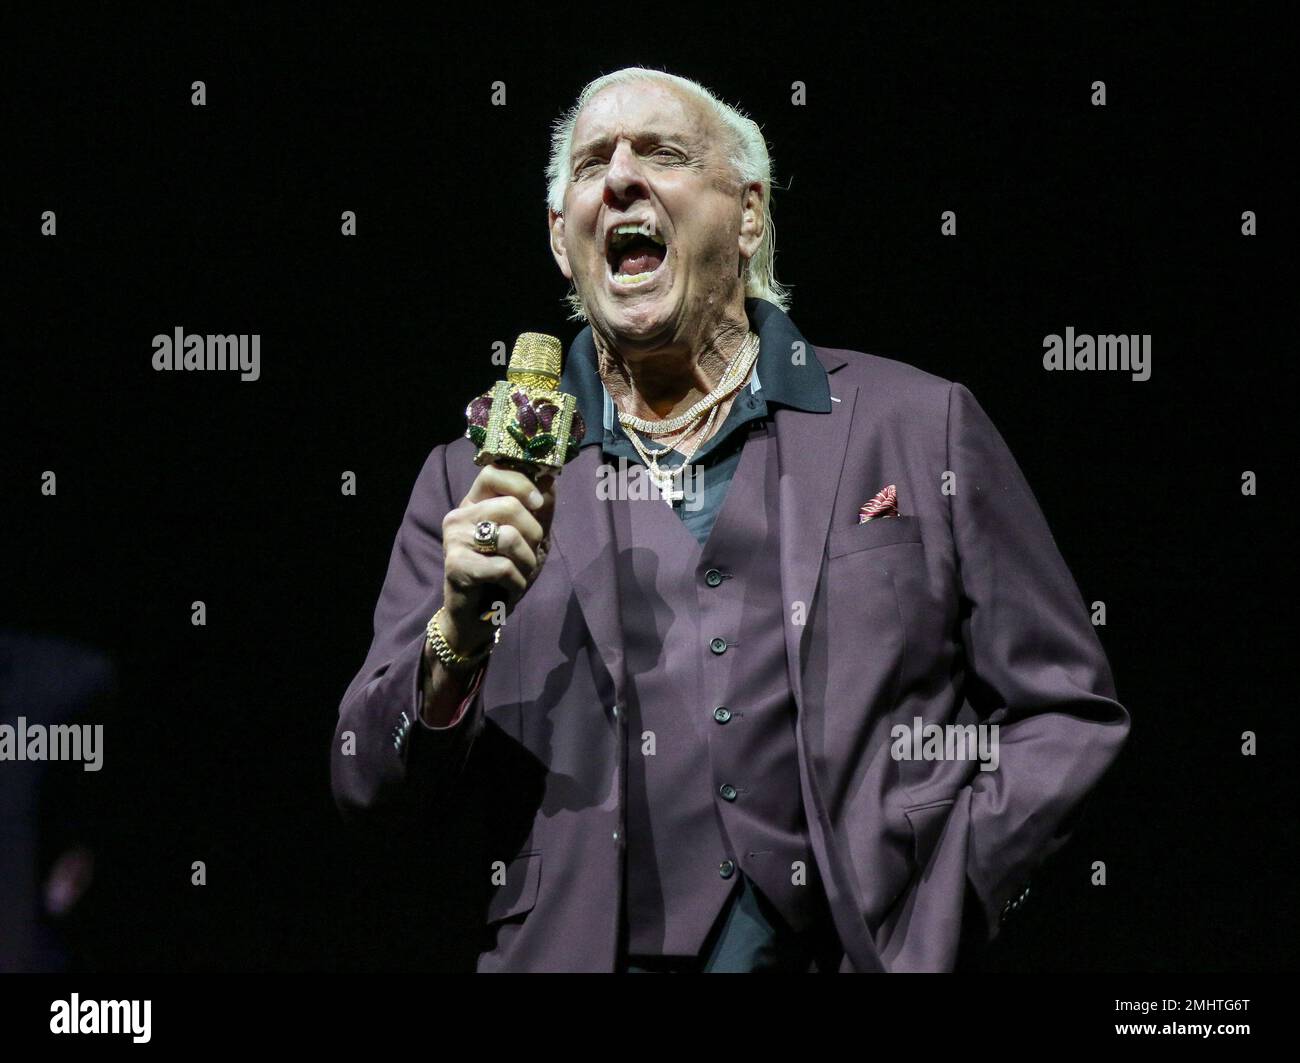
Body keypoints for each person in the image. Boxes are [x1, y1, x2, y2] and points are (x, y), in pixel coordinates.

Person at [331, 67, 1129, 972]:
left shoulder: (915, 426)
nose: (621, 179)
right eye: (592, 165)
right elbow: (368, 784)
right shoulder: (471, 481)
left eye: (662, 154)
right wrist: (455, 640)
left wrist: (945, 898)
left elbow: (1066, 711)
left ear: (748, 215)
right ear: (563, 239)